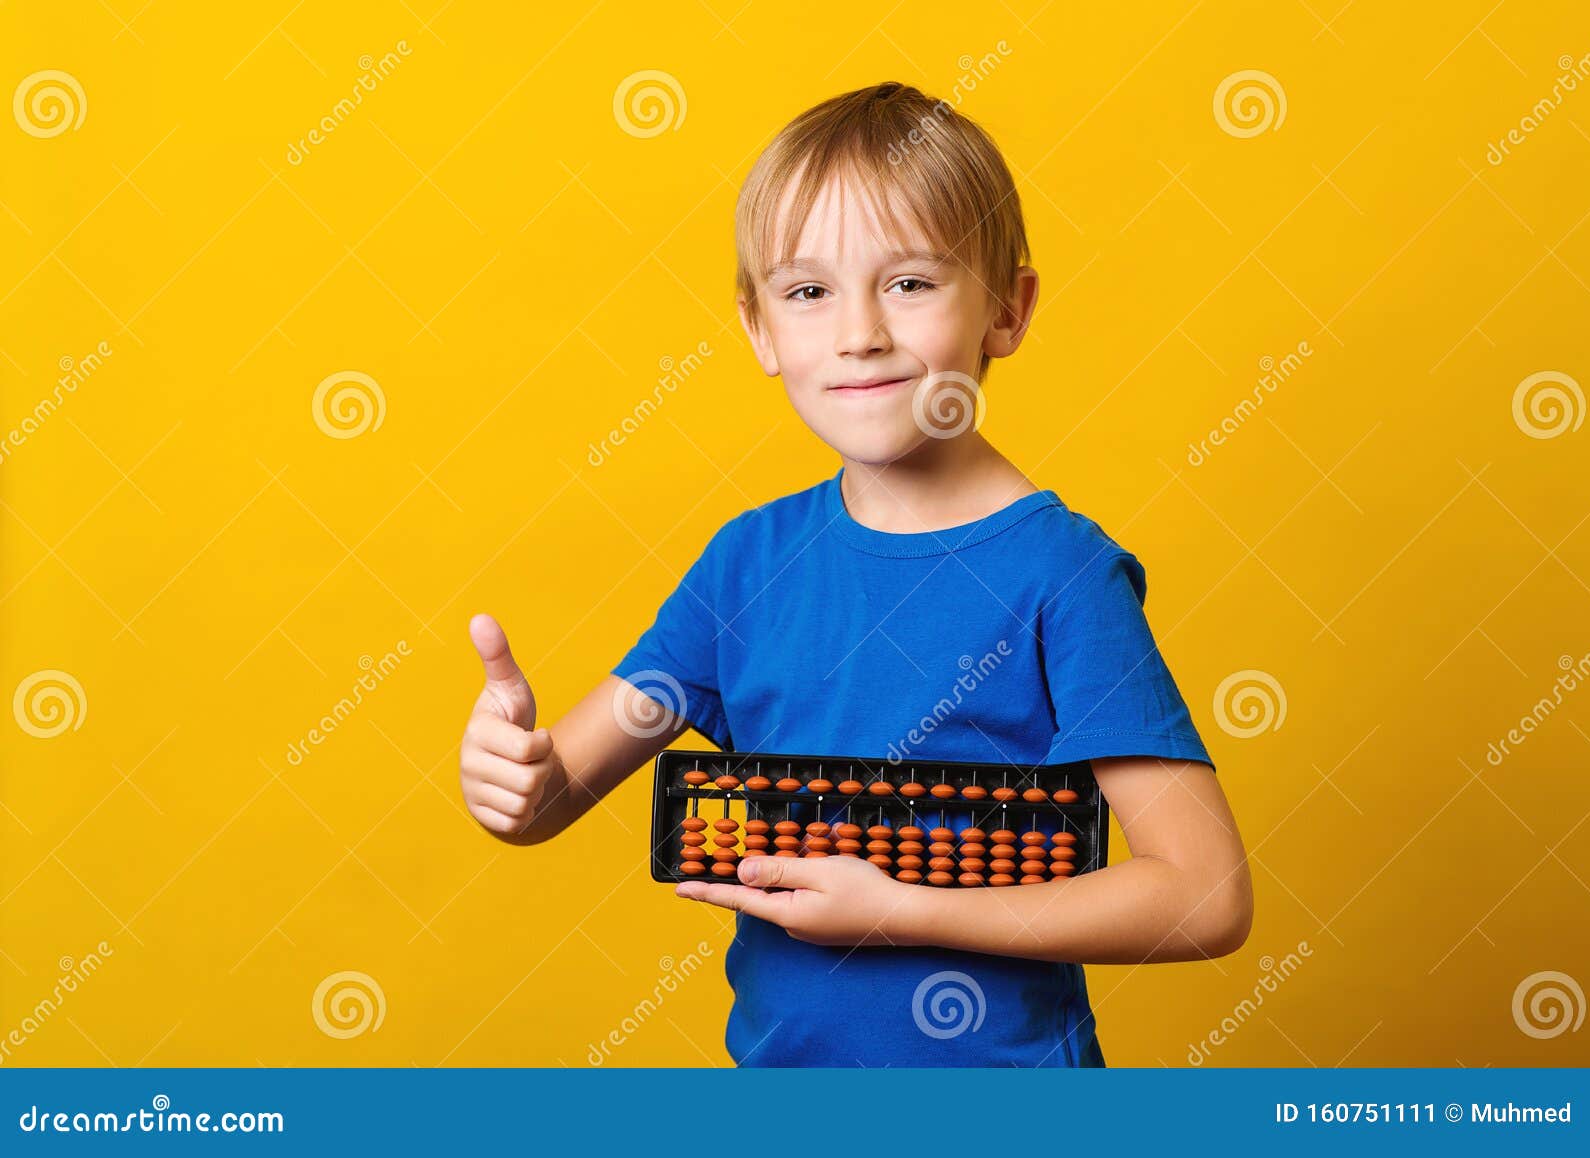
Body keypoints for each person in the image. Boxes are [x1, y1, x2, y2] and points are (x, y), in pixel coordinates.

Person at [457, 81, 1252, 1067]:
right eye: (808, 292)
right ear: (758, 328)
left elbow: (1204, 896)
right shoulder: (745, 566)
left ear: (1007, 310)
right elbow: (554, 795)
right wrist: (514, 778)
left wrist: (903, 911)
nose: (859, 332)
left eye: (910, 283)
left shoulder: (1062, 574)